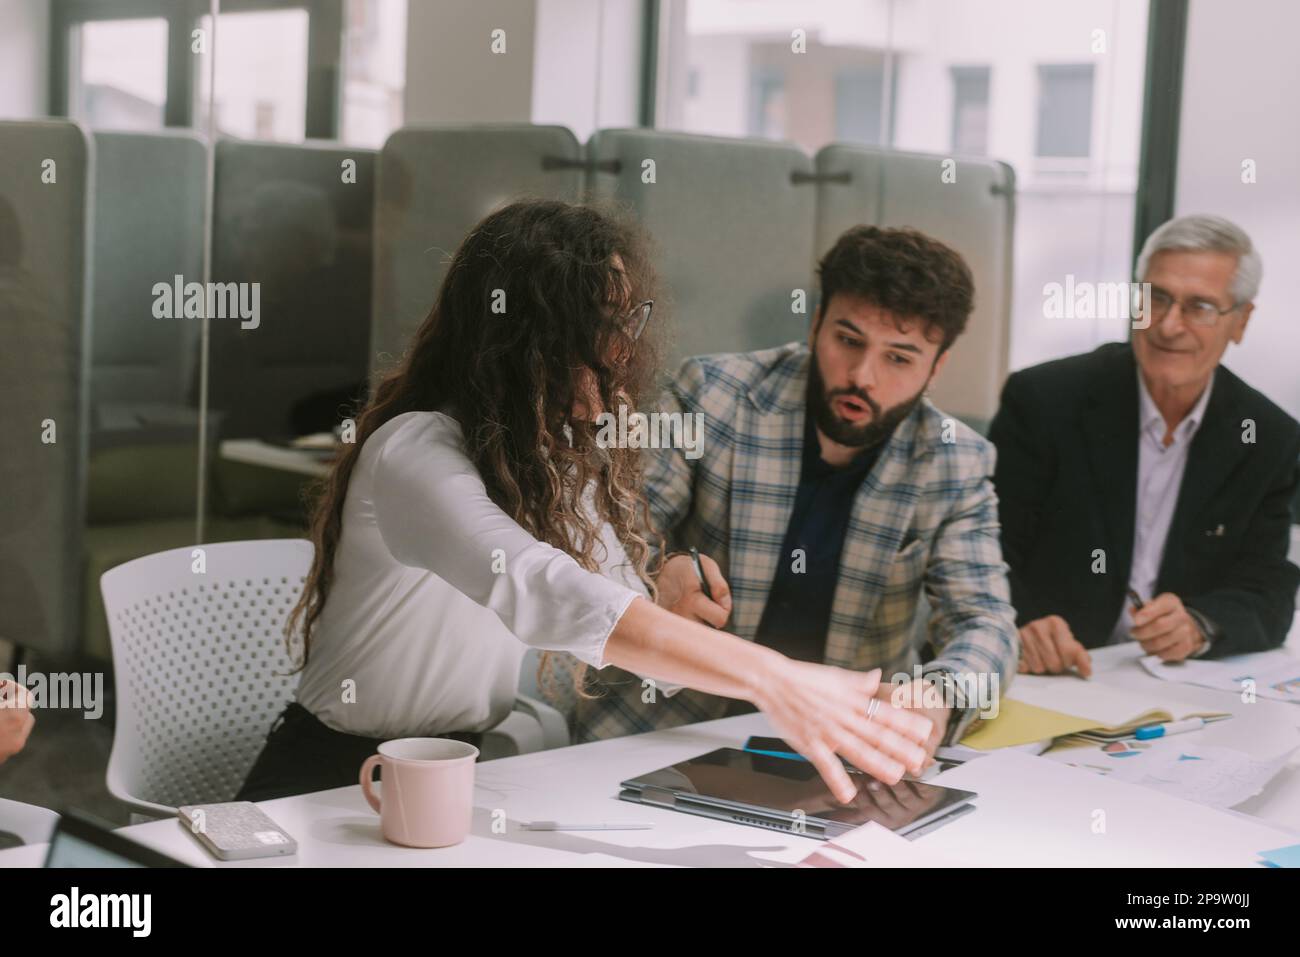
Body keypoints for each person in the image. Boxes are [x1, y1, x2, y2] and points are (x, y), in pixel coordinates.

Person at [237, 200, 930, 805]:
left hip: (451, 769)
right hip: (331, 780)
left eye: (629, 317)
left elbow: (607, 597)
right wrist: (780, 681)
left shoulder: (540, 455)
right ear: (522, 340)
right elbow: (542, 588)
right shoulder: (414, 452)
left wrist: (665, 591)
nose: (625, 347)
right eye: (602, 322)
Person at [575, 225, 1019, 758]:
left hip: (841, 743)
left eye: (899, 358)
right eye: (848, 341)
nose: (863, 376)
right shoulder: (714, 395)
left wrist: (939, 697)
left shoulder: (956, 461)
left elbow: (985, 622)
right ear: (815, 327)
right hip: (664, 729)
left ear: (937, 366)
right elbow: (617, 531)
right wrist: (659, 572)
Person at [989, 213, 1300, 675]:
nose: (1169, 325)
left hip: (1165, 687)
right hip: (1048, 675)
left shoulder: (1267, 436)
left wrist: (1200, 624)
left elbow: (1267, 590)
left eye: (1199, 307)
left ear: (1240, 321)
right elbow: (984, 549)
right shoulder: (1045, 401)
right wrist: (1020, 621)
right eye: (1155, 298)